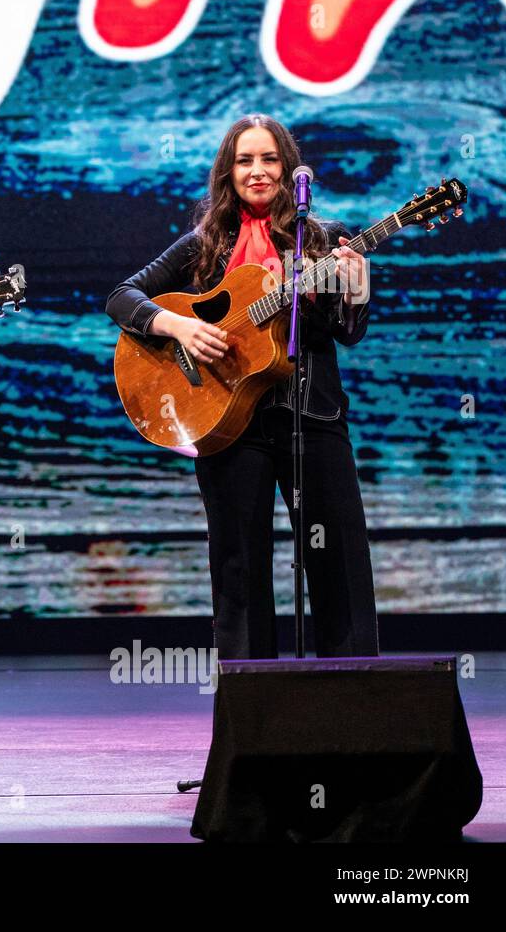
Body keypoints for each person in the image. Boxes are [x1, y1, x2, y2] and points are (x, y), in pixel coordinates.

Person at [105, 114, 379, 659]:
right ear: (227, 172)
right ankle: (249, 704)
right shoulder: (203, 244)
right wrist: (178, 324)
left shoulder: (324, 240)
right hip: (225, 420)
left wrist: (356, 294)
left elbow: (346, 335)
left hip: (312, 417)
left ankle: (353, 698)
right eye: (244, 160)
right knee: (238, 563)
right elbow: (122, 296)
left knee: (339, 559)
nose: (257, 171)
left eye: (269, 159)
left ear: (289, 168)